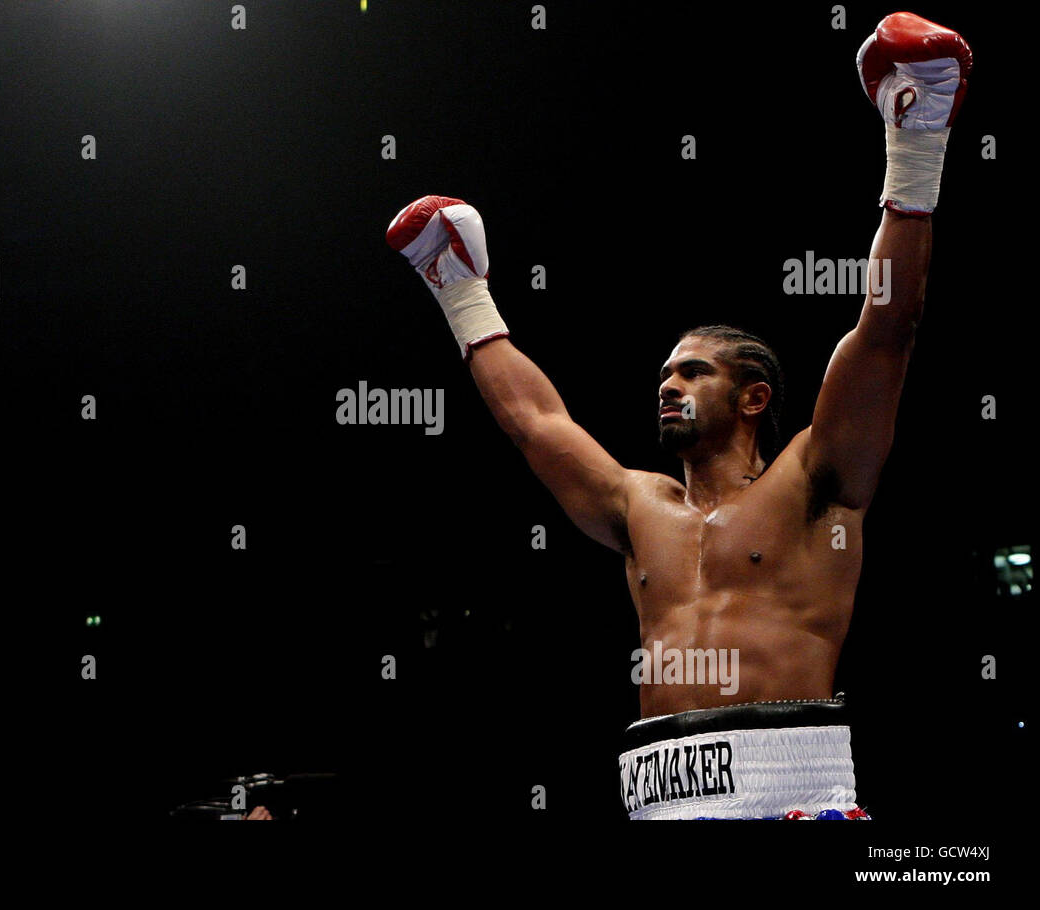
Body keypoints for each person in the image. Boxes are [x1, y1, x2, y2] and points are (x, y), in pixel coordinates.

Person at [386, 12, 971, 820]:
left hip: (791, 787)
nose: (667, 384)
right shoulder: (640, 507)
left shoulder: (815, 481)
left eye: (693, 372)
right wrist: (462, 296)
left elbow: (886, 334)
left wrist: (916, 151)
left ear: (753, 398)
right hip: (658, 797)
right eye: (663, 372)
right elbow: (535, 424)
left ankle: (923, 117)